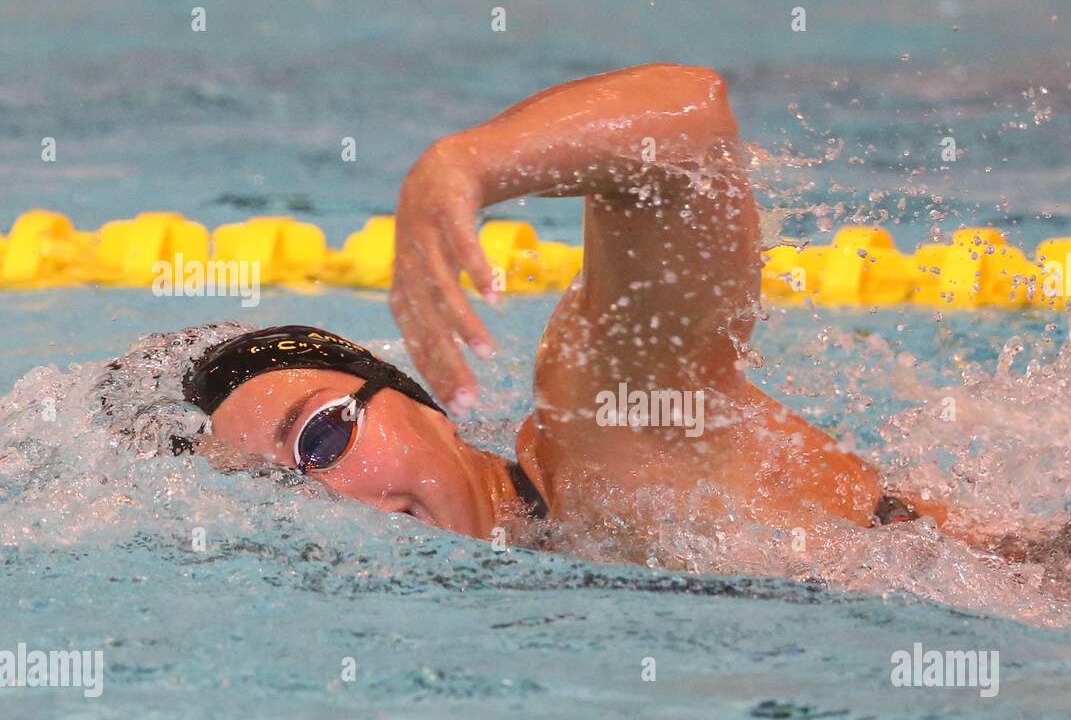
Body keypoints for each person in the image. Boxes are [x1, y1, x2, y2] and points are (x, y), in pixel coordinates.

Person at [179, 63, 950, 547]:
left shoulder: (601, 438)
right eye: (274, 492)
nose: (326, 498)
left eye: (319, 438)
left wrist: (463, 163)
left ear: (426, 404)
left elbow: (691, 124)